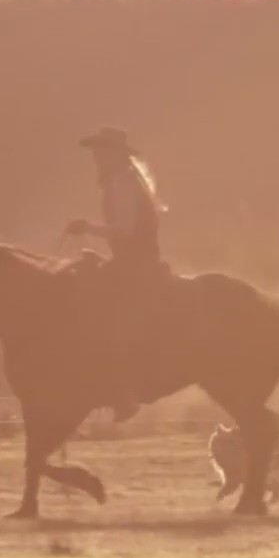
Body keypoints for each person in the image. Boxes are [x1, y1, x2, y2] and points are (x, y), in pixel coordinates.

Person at [64, 127, 168, 421]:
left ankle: (122, 390)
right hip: (133, 260)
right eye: (96, 152)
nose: (96, 158)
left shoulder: (121, 185)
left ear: (113, 155)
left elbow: (125, 231)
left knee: (102, 313)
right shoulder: (124, 182)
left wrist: (87, 228)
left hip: (135, 264)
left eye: (100, 152)